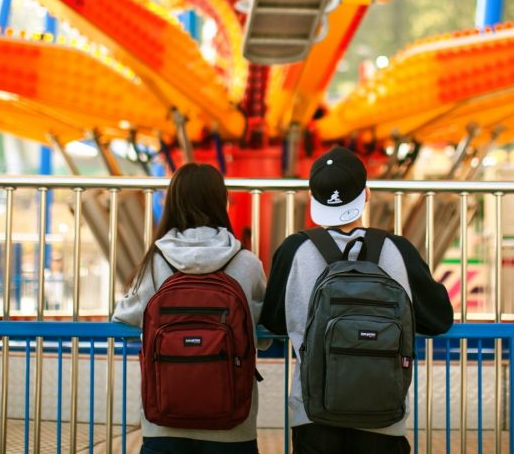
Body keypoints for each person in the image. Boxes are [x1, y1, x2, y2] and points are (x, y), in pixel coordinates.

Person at [261, 147, 453, 454]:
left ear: (313, 200)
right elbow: (439, 319)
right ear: (367, 194)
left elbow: (272, 321)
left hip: (313, 413)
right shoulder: (398, 250)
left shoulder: (293, 250)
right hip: (383, 416)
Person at [113, 163, 266, 454]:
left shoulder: (156, 261)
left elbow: (125, 316)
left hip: (164, 422)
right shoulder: (246, 262)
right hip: (233, 427)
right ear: (221, 202)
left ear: (173, 202)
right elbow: (262, 331)